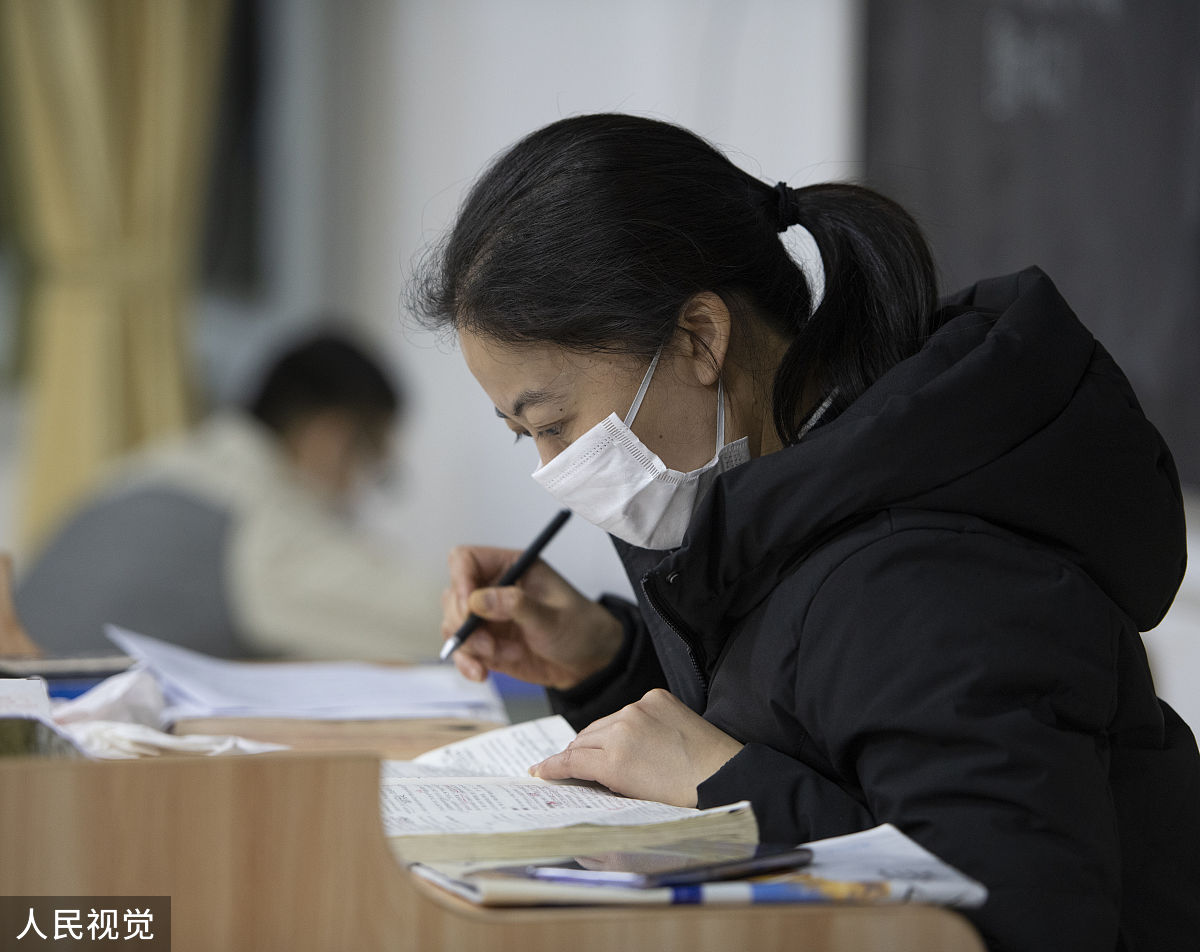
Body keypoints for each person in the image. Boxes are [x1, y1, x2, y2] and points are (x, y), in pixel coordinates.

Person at [419, 114, 1199, 952]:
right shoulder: (796, 505)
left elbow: (1012, 922)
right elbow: (813, 731)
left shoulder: (932, 571)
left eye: (554, 423)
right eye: (525, 436)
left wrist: (727, 788)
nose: (556, 469)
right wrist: (605, 660)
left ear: (699, 339)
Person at [14, 329, 442, 660]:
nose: (358, 492)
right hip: (79, 736)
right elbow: (429, 624)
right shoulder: (258, 513)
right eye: (373, 465)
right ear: (331, 438)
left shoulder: (156, 468)